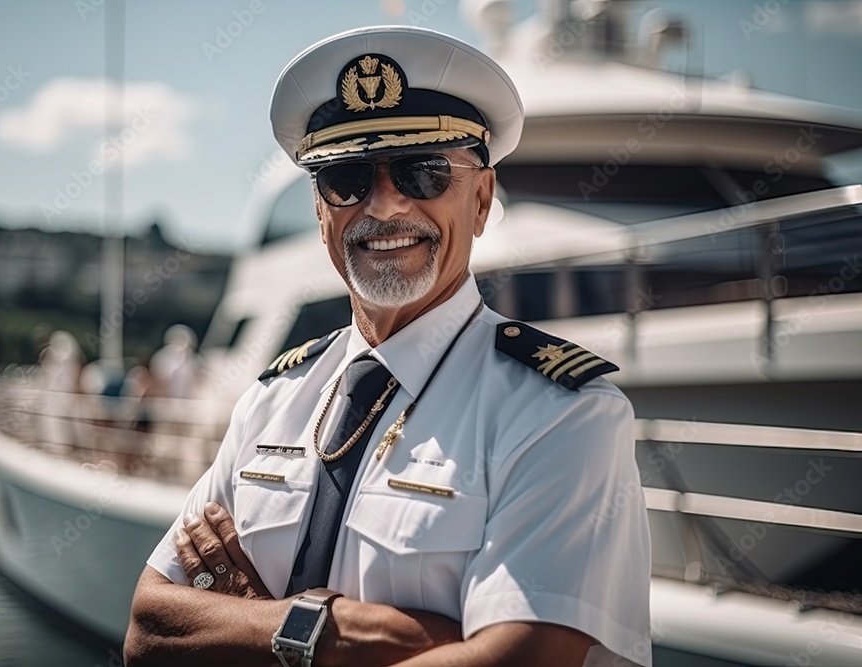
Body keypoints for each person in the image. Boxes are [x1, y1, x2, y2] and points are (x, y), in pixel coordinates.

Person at [125, 26, 651, 667]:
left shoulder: (561, 413)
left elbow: (520, 661)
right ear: (322, 212)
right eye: (345, 179)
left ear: (482, 200)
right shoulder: (271, 401)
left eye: (423, 172)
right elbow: (151, 632)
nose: (384, 204)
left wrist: (248, 619)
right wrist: (336, 629)